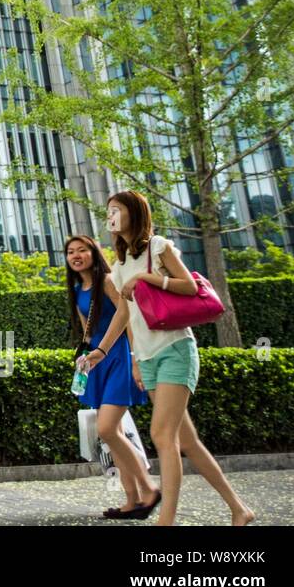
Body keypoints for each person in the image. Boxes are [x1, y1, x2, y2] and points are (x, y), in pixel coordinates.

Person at [106, 190, 255, 526]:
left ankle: (167, 520)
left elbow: (190, 287)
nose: (111, 215)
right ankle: (239, 508)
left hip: (175, 349)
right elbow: (124, 316)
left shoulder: (159, 246)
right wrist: (118, 355)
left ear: (133, 213)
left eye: (116, 209)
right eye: (108, 210)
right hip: (148, 358)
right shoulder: (117, 266)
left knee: (162, 435)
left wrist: (146, 276)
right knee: (187, 440)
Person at [65, 234, 156, 518]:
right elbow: (88, 331)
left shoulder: (106, 281)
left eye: (82, 250)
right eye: (71, 252)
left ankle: (149, 489)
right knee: (112, 435)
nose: (76, 255)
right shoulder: (79, 288)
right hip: (96, 362)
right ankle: (132, 502)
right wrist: (84, 359)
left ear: (94, 253)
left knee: (107, 429)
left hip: (118, 356)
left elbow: (127, 314)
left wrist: (135, 361)